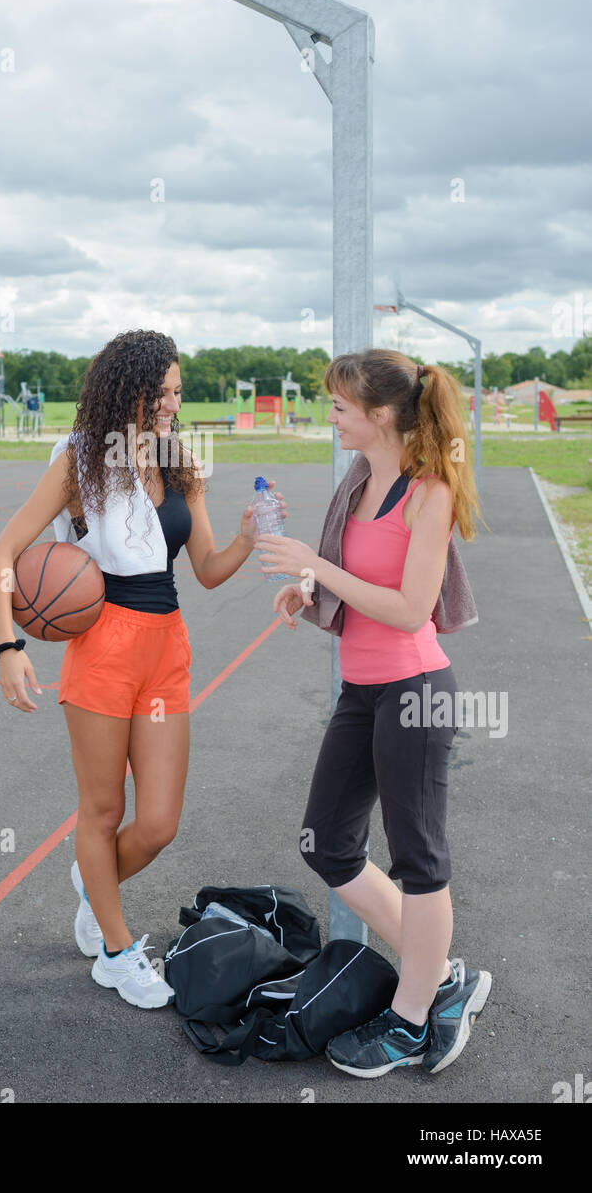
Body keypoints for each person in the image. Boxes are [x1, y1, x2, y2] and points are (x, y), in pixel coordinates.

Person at [0, 329, 286, 1009]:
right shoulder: (79, 460)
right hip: (103, 643)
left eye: (180, 392)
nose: (176, 405)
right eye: (165, 393)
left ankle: (96, 886)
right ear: (131, 392)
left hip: (166, 644)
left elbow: (205, 571)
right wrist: (8, 649)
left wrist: (247, 533)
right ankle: (116, 953)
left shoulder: (181, 460)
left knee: (156, 823)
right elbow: (2, 555)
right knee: (103, 809)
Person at [255, 348, 492, 1077]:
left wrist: (318, 569)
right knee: (324, 842)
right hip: (361, 691)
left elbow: (409, 607)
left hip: (414, 690)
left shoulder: (428, 493)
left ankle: (411, 1019)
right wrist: (308, 588)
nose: (329, 414)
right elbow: (359, 581)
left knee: (418, 860)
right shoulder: (359, 480)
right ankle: (440, 973)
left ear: (380, 413)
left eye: (338, 405)